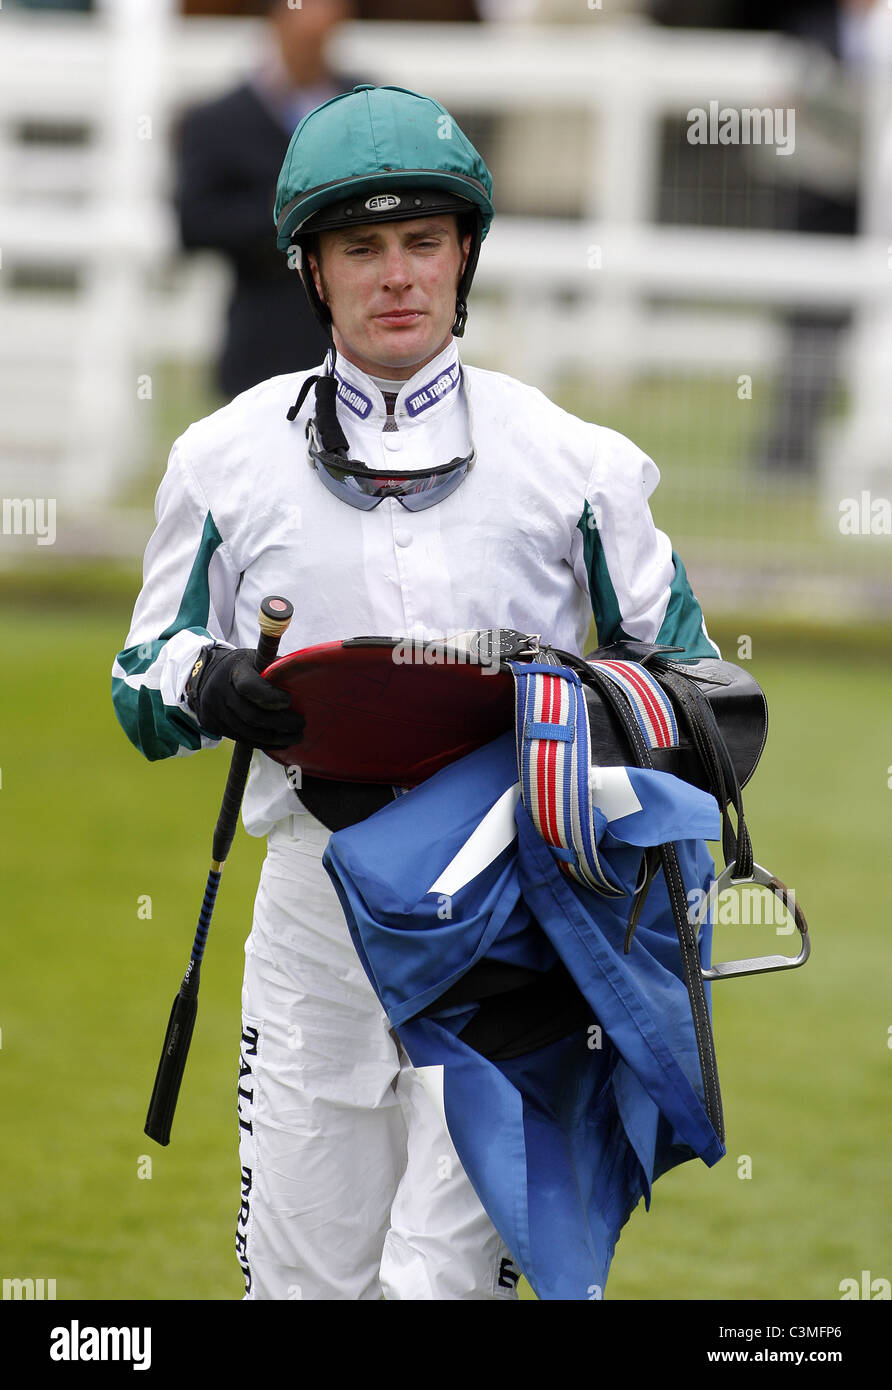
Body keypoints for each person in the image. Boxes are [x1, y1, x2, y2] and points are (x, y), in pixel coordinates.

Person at [112, 84, 720, 1301]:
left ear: (464, 258)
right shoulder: (222, 458)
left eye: (423, 242)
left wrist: (569, 715)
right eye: (361, 246)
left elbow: (693, 690)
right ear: (313, 271)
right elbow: (141, 687)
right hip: (311, 906)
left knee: (444, 1279)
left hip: (516, 913)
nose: (397, 275)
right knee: (301, 1279)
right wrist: (215, 680)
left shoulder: (578, 465)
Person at [174, 0, 360, 400]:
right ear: (274, 17)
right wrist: (297, 211)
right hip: (261, 337)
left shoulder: (363, 105)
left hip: (355, 342)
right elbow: (193, 223)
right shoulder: (220, 119)